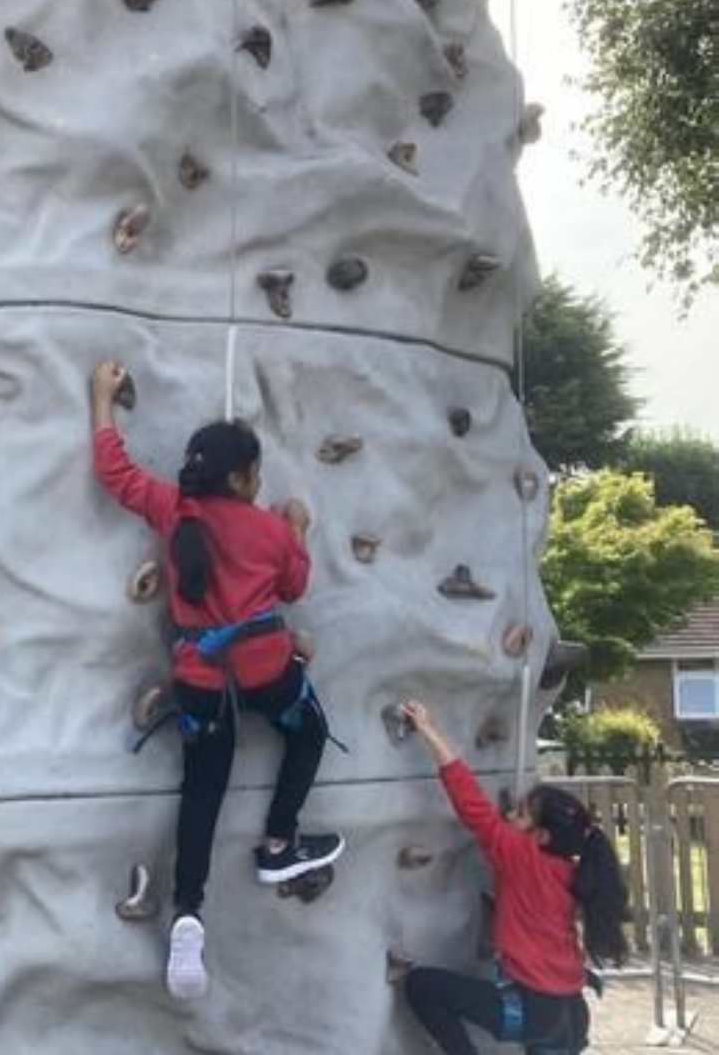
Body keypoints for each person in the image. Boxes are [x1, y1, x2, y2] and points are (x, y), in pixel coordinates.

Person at [90, 360, 343, 1001]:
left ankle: (189, 912)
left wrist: (102, 399)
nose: (259, 482)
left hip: (200, 681)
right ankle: (279, 842)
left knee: (203, 793)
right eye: (256, 473)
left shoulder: (175, 511)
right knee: (308, 733)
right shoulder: (269, 530)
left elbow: (114, 473)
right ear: (240, 478)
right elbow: (294, 586)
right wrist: (298, 529)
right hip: (267, 673)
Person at [400, 699, 629, 1055]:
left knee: (422, 986)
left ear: (542, 836)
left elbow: (471, 803)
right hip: (570, 1014)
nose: (508, 816)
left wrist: (428, 729)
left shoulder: (522, 857)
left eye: (520, 815)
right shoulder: (573, 870)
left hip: (532, 1012)